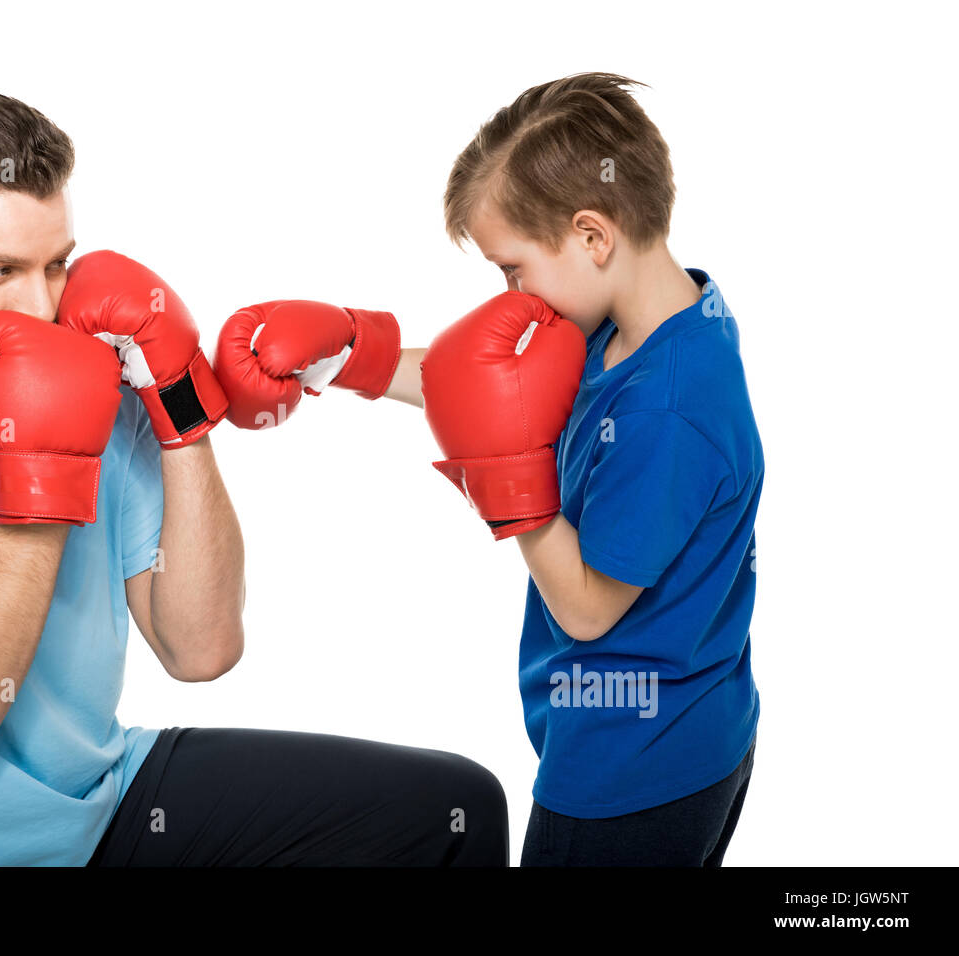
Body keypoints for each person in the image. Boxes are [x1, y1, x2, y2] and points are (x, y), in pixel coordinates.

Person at [0, 90, 508, 866]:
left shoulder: (97, 377)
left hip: (100, 807)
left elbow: (201, 649)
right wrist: (42, 464)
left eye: (56, 265)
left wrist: (176, 410)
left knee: (449, 811)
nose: (39, 305)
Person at [214, 72, 761, 866]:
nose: (508, 297)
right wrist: (345, 357)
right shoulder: (657, 323)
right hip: (696, 731)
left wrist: (512, 480)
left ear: (591, 236)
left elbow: (586, 610)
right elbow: (490, 378)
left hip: (630, 773)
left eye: (512, 270)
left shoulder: (666, 411)